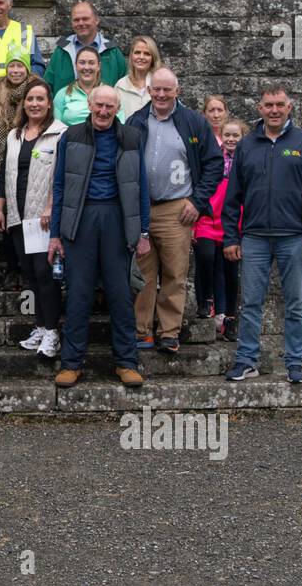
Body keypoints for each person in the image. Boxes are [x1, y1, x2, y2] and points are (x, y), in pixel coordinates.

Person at [223, 85, 302, 385]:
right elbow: (233, 195)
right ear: (259, 108)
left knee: (296, 303)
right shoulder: (246, 145)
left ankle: (295, 362)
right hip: (254, 237)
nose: (274, 110)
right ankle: (247, 360)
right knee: (250, 303)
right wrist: (231, 237)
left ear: (289, 107)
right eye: (268, 105)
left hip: (296, 236)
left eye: (279, 105)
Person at [50, 85, 151, 388]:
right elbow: (59, 188)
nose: (104, 111)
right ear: (90, 106)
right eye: (99, 106)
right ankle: (71, 363)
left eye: (110, 107)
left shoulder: (131, 138)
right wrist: (55, 235)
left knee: (120, 294)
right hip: (80, 221)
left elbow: (142, 187)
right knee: (78, 294)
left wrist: (143, 231)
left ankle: (126, 362)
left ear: (117, 109)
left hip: (117, 221)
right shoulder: (71, 136)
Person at [125, 67, 223, 353]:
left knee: (175, 273)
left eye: (167, 89)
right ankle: (142, 331)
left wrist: (197, 201)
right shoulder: (136, 120)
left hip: (177, 209)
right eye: (156, 89)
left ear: (177, 91)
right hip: (143, 209)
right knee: (142, 275)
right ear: (149, 90)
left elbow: (214, 164)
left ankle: (169, 332)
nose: (161, 94)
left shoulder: (193, 122)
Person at [0, 77, 66, 358]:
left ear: (49, 104)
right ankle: (39, 327)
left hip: (43, 219)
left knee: (45, 275)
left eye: (40, 99)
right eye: (30, 99)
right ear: (23, 103)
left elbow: (60, 176)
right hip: (17, 217)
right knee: (30, 275)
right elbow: (4, 174)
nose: (34, 104)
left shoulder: (60, 134)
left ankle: (52, 332)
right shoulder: (14, 135)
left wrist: (51, 207)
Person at [195, 118, 246, 342]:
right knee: (206, 258)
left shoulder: (244, 161)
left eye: (236, 135)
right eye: (227, 135)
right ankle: (206, 301)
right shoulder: (213, 159)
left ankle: (230, 318)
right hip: (208, 218)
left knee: (230, 271)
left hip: (233, 222)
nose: (231, 139)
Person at [0, 49, 32, 288]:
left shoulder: (36, 94)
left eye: (20, 66)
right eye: (11, 66)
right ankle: (12, 269)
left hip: (30, 166)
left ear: (27, 69)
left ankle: (27, 270)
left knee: (27, 219)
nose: (15, 70)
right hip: (3, 167)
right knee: (5, 222)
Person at [43, 0, 128, 94]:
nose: (81, 23)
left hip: (104, 107)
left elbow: (125, 86)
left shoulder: (112, 52)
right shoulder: (62, 51)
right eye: (76, 20)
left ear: (96, 20)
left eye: (85, 19)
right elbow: (47, 86)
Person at [114, 35, 161, 123]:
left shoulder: (160, 84)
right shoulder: (120, 86)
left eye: (147, 54)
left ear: (153, 58)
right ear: (131, 56)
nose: (141, 57)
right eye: (137, 52)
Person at [55, 45, 104, 126]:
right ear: (76, 66)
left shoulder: (110, 94)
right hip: (70, 137)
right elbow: (55, 127)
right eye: (82, 62)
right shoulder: (62, 94)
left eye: (91, 63)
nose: (86, 67)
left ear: (98, 66)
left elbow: (119, 123)